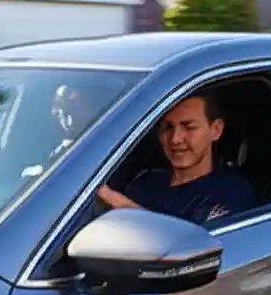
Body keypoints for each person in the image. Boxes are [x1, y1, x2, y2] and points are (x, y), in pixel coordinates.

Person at [97, 92, 256, 224]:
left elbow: (193, 247)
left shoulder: (231, 192)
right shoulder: (143, 183)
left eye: (189, 127)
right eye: (167, 128)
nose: (175, 139)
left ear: (216, 129)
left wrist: (120, 204)